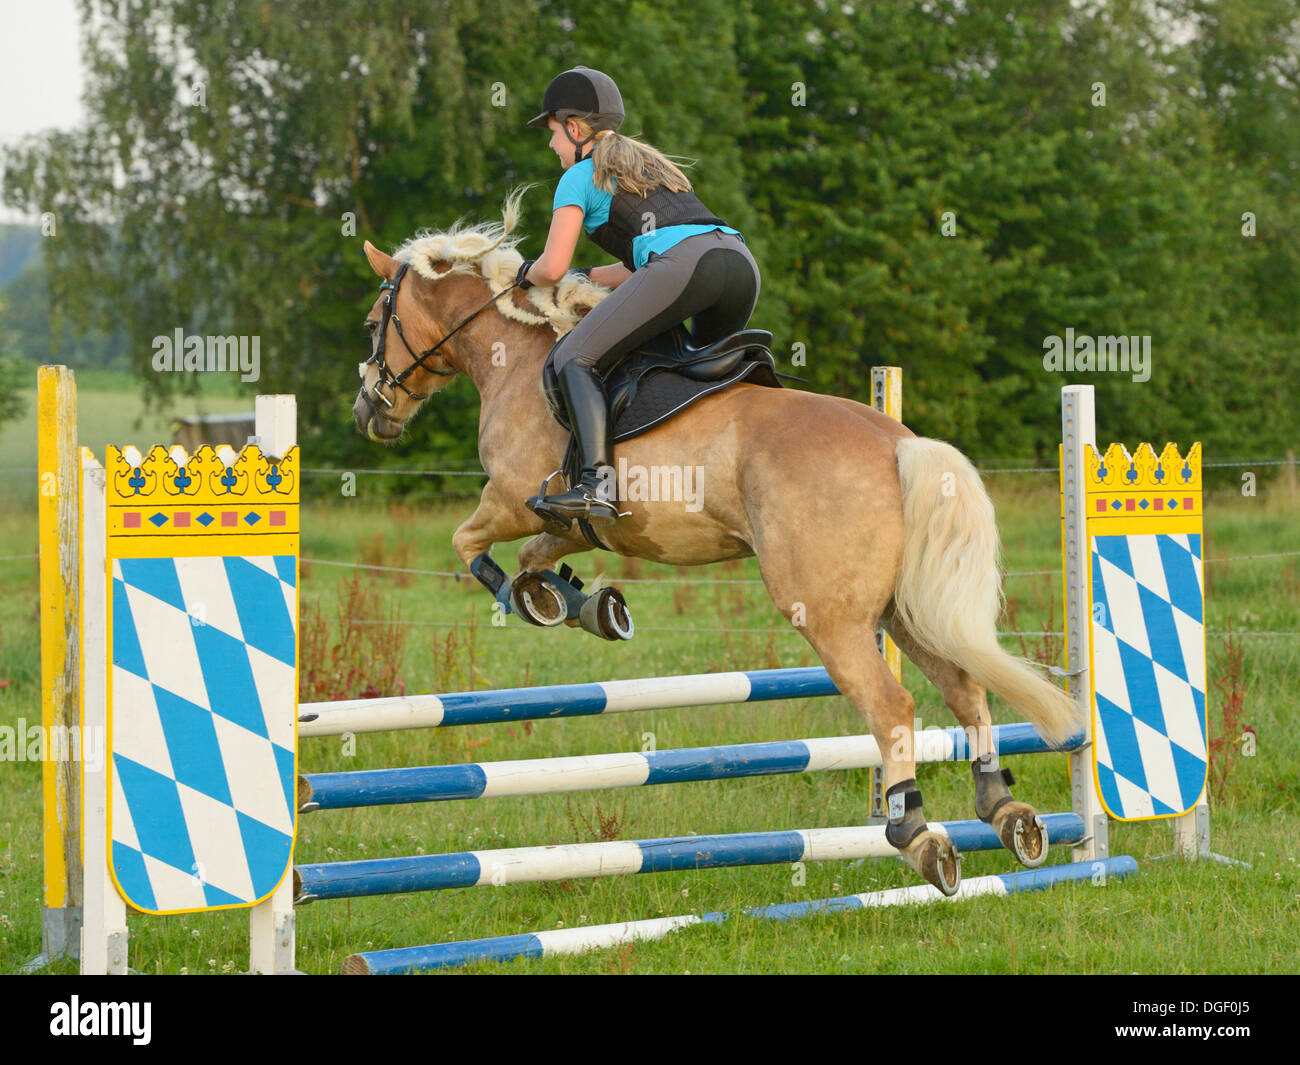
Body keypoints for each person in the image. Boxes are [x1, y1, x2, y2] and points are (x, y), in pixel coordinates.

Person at [517, 66, 761, 526]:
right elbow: (640, 265)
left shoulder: (580, 176)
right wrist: (587, 274)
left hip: (684, 268)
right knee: (694, 376)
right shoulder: (649, 165)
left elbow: (549, 267)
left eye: (552, 132)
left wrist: (522, 272)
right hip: (737, 263)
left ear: (573, 127)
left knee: (574, 358)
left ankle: (596, 486)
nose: (551, 146)